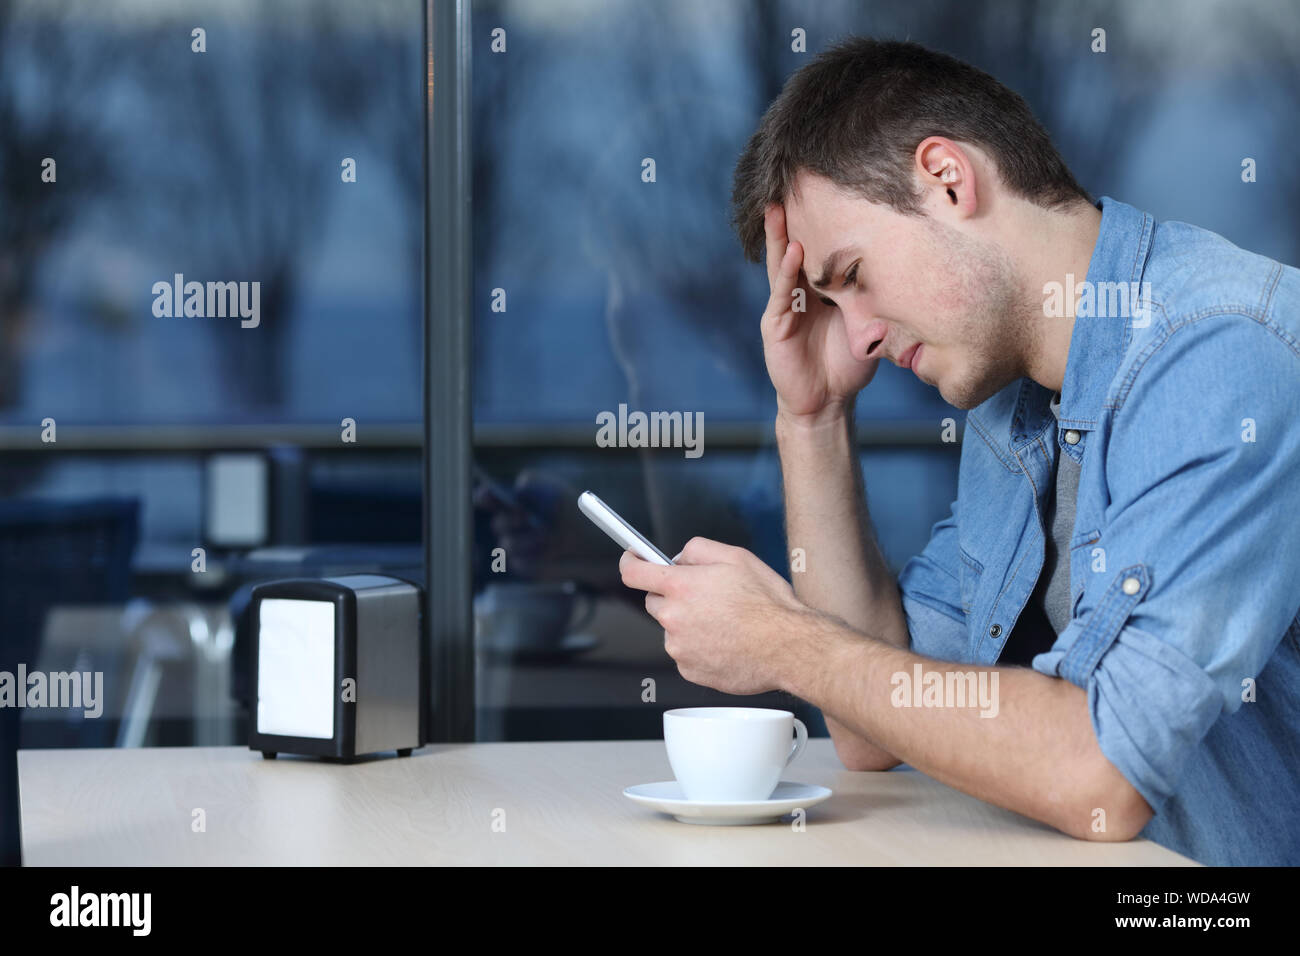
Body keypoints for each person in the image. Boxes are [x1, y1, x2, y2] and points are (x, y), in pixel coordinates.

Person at [617, 37, 1300, 866]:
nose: (859, 335)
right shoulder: (1012, 402)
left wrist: (782, 640)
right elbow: (873, 727)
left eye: (855, 274)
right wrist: (814, 417)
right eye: (830, 301)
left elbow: (1102, 771)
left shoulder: (1219, 354)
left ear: (948, 178)